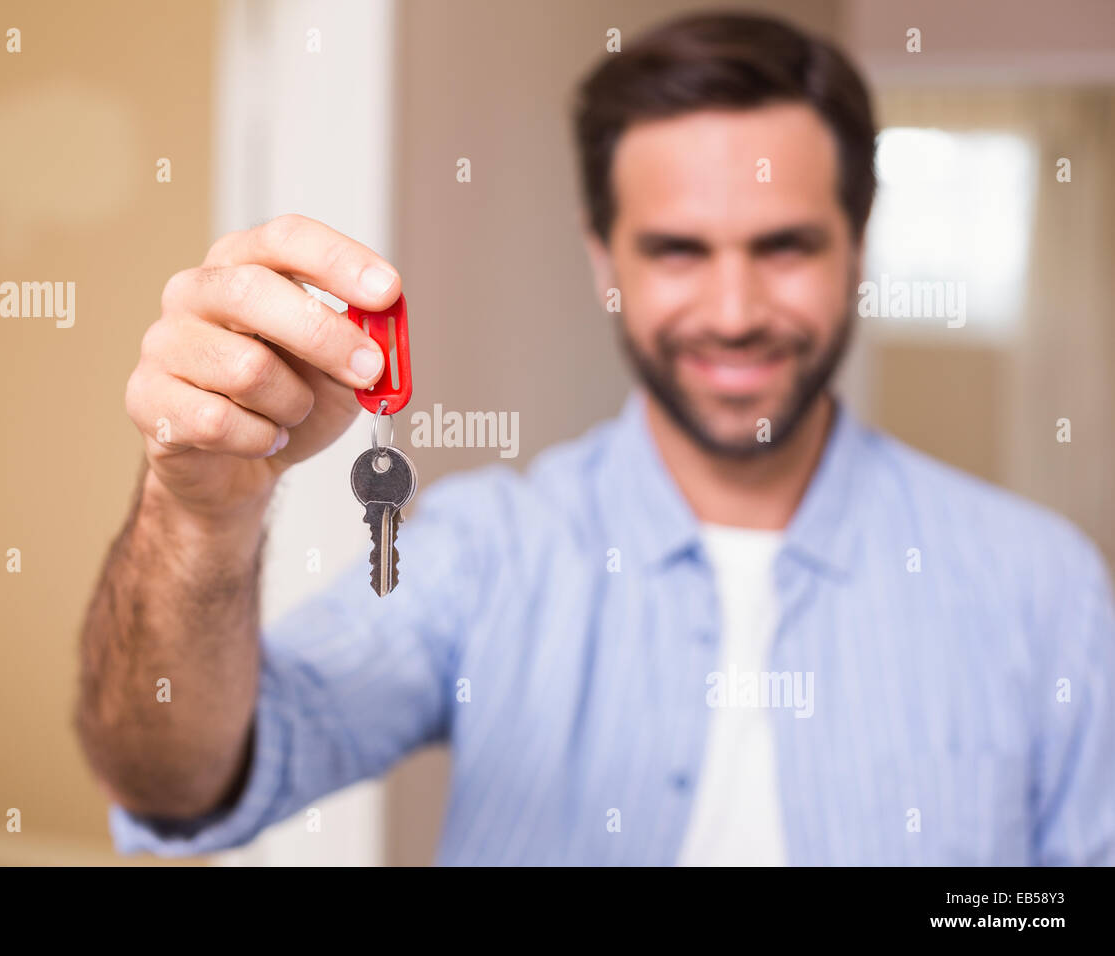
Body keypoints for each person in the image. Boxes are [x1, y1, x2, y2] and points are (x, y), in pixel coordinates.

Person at [74, 12, 1115, 865]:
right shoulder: (484, 551)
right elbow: (179, 783)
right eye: (675, 250)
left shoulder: (1044, 585)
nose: (735, 308)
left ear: (855, 246)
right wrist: (197, 515)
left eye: (785, 246)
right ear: (604, 260)